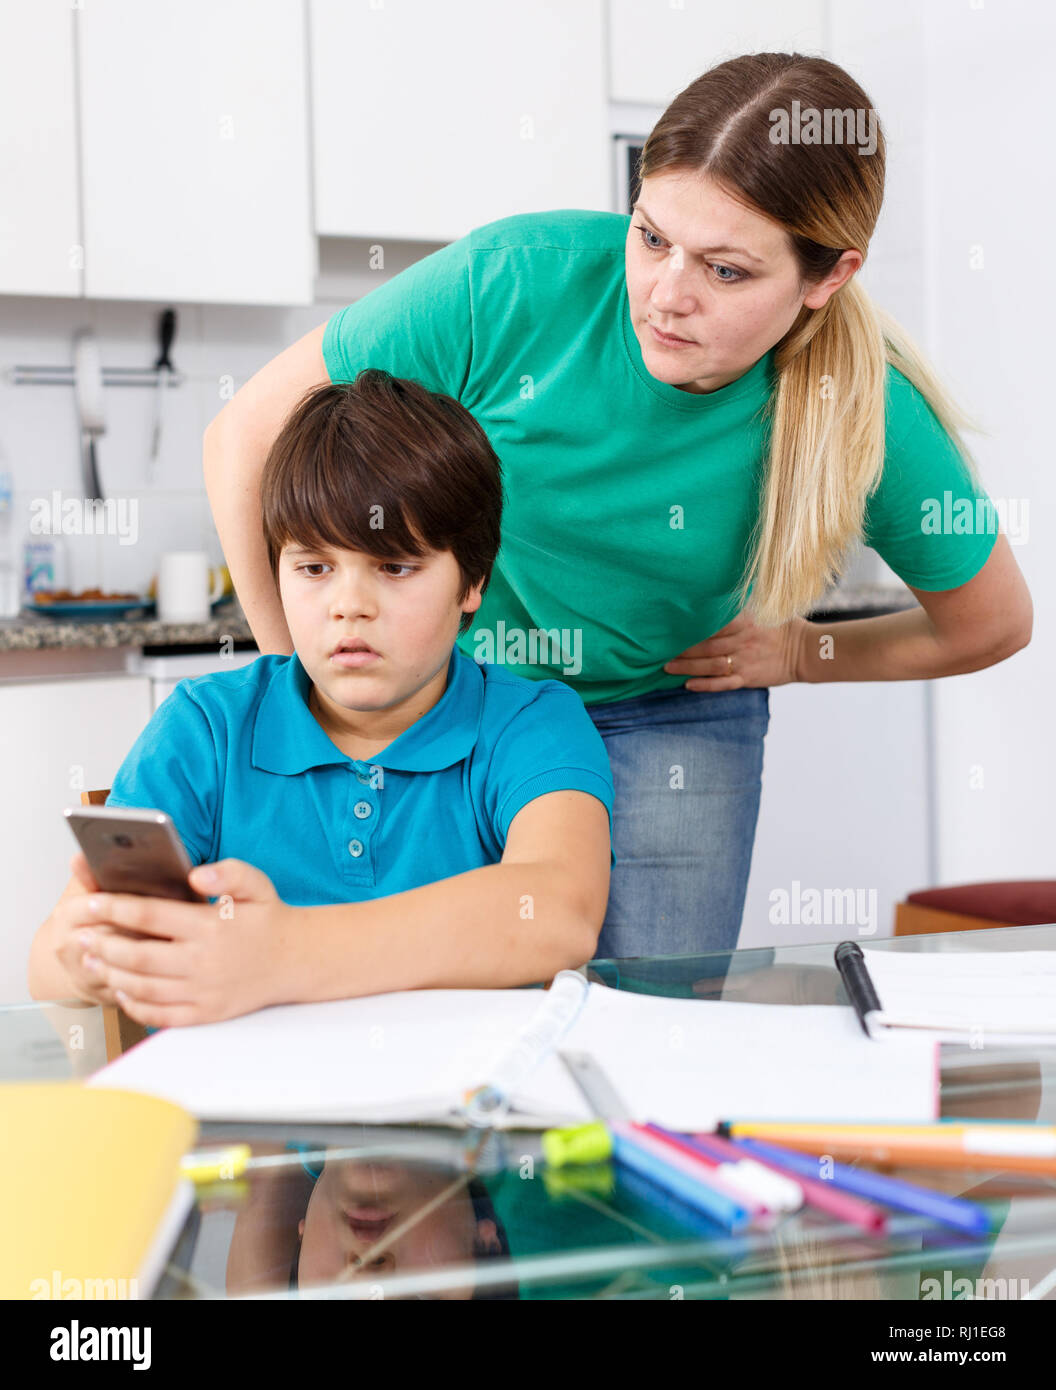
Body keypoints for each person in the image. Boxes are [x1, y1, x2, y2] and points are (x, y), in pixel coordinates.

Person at [202, 52, 1032, 959]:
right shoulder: (516, 280)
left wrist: (800, 650)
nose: (665, 295)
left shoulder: (867, 413)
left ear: (826, 277)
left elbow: (991, 622)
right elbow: (243, 436)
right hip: (466, 695)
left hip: (668, 717)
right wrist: (298, 679)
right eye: (651, 238)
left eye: (724, 271)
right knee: (441, 998)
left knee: (653, 1027)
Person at [27, 371, 613, 1025]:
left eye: (394, 568)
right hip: (252, 1113)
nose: (348, 608)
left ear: (471, 580)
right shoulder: (206, 728)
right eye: (313, 568)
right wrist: (90, 954)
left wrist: (281, 954)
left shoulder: (531, 725)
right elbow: (46, 965)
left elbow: (558, 911)